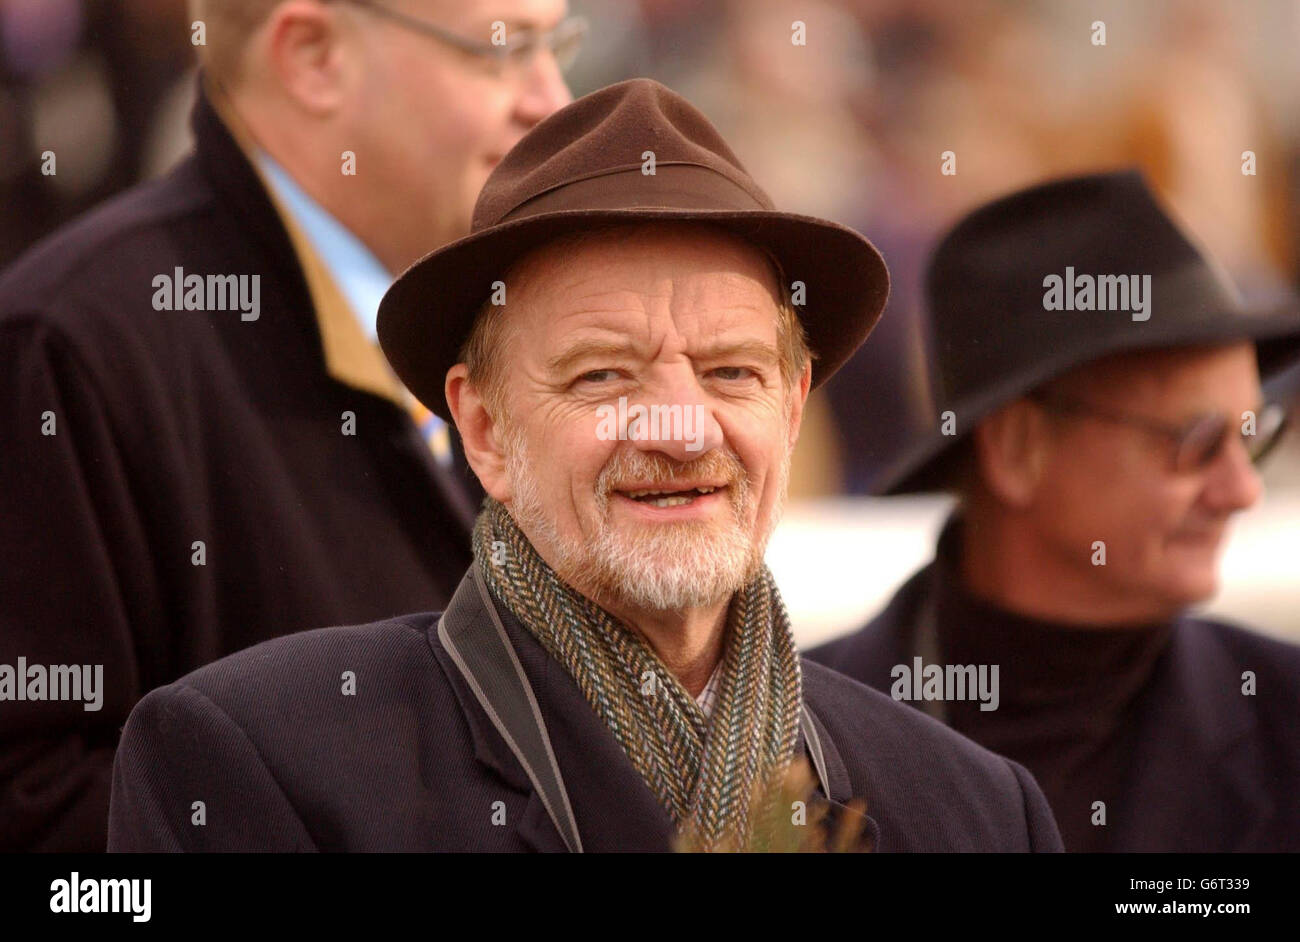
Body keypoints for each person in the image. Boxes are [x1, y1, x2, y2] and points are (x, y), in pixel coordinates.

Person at [108, 79, 1063, 853]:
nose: (682, 429)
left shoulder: (976, 811)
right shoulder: (258, 762)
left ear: (793, 404)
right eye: (605, 376)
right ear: (483, 430)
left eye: (732, 372)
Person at [0, 0, 575, 850]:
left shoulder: (503, 314)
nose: (552, 98)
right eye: (503, 50)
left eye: (557, 44)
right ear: (311, 56)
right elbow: (33, 803)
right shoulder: (66, 347)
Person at [810, 171, 1300, 851]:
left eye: (1251, 435)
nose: (1243, 490)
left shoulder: (1285, 719)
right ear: (1017, 448)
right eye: (1196, 443)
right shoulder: (781, 740)